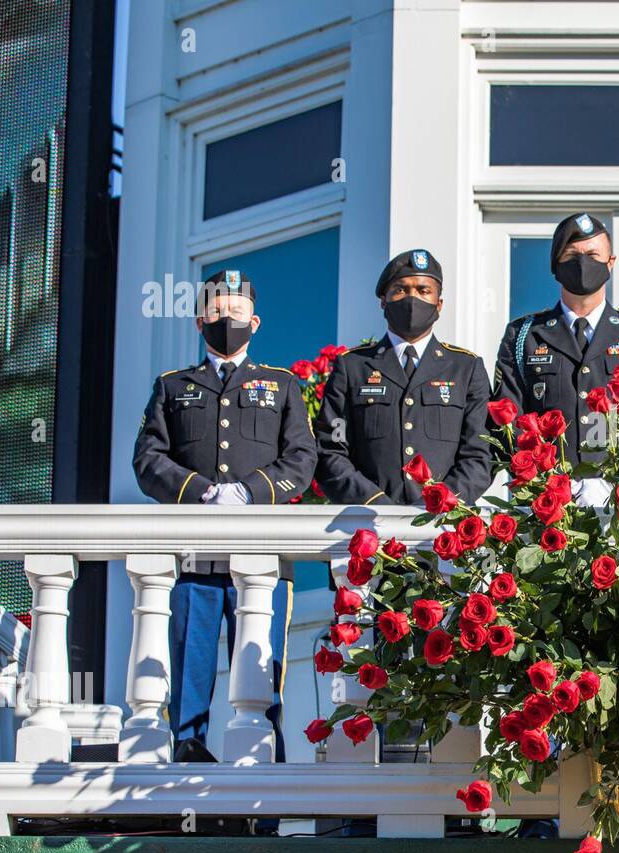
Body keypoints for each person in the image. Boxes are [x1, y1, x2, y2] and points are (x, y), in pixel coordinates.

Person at [133, 269, 315, 763]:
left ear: (254, 322)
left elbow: (301, 459)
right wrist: (202, 492)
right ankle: (183, 782)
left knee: (261, 679)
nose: (226, 319)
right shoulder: (173, 387)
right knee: (186, 688)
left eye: (235, 311)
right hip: (193, 561)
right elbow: (148, 461)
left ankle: (263, 807)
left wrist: (248, 492)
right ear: (199, 320)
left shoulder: (282, 386)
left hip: (261, 563)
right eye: (216, 311)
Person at [491, 212, 619, 479]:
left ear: (611, 263)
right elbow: (509, 423)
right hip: (548, 501)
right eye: (572, 255)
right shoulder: (523, 336)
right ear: (556, 265)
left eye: (592, 255)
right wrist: (543, 480)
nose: (582, 263)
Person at [316, 248, 493, 506]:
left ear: (439, 304)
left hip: (442, 529)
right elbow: (330, 451)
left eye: (423, 291)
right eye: (401, 290)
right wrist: (375, 504)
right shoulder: (353, 367)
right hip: (368, 526)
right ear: (383, 302)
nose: (412, 299)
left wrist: (440, 503)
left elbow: (481, 454)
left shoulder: (465, 368)